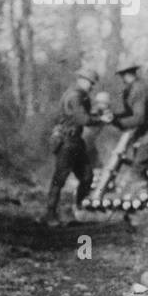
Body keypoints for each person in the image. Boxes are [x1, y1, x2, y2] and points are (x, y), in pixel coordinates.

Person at [44, 68, 107, 226]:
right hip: (67, 142)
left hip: (76, 141)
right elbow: (83, 119)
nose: (92, 86)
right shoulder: (75, 96)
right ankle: (50, 214)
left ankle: (78, 210)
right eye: (90, 83)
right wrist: (101, 119)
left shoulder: (78, 95)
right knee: (59, 179)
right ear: (82, 80)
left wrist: (97, 114)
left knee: (87, 177)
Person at [113, 63, 148, 201]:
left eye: (123, 76)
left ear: (128, 75)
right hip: (146, 133)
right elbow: (130, 112)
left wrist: (118, 122)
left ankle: (145, 200)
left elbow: (139, 118)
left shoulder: (139, 89)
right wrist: (114, 117)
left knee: (137, 169)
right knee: (138, 167)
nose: (123, 79)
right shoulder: (133, 89)